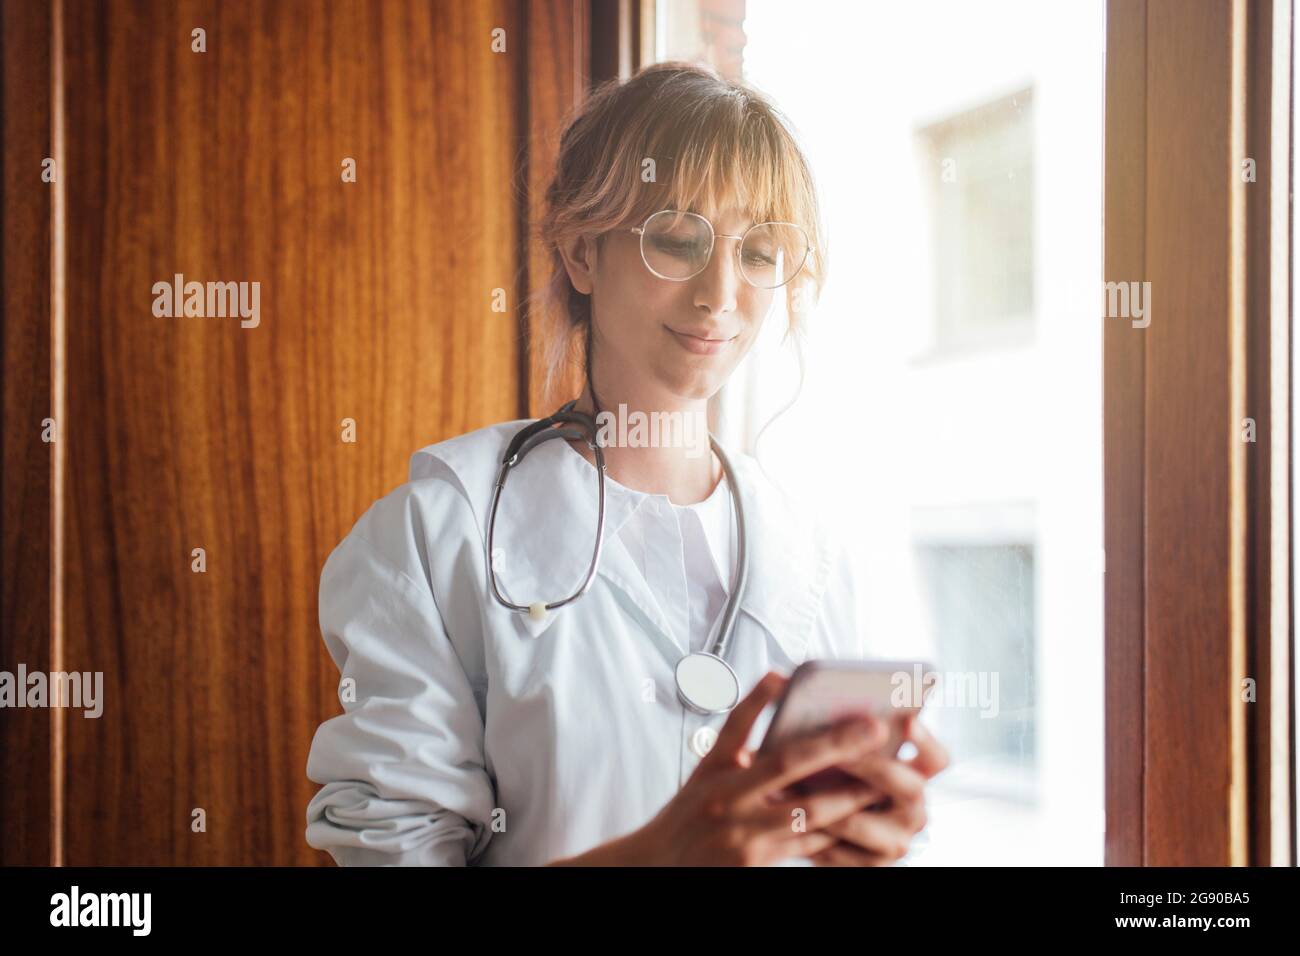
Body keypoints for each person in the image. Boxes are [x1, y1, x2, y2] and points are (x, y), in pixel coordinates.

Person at [304, 61, 948, 866]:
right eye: (678, 239)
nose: (720, 292)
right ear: (581, 253)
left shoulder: (819, 552)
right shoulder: (440, 535)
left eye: (757, 251)